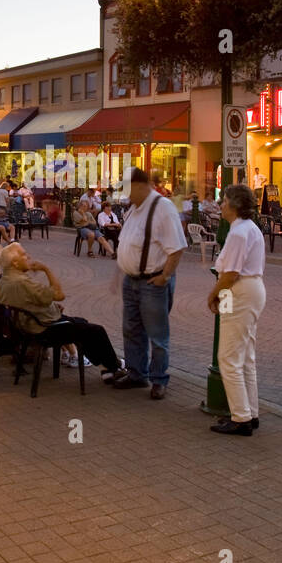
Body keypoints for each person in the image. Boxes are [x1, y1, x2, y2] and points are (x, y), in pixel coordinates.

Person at [0, 243, 127, 383]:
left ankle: (107, 367)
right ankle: (114, 366)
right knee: (96, 330)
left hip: (25, 327)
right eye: (24, 254)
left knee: (83, 324)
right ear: (15, 263)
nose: (28, 257)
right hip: (43, 329)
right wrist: (46, 270)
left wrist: (51, 307)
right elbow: (59, 294)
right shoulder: (22, 283)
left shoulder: (4, 280)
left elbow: (27, 302)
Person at [115, 168, 188, 399]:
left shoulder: (162, 208)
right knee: (132, 329)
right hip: (132, 280)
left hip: (152, 281)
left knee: (157, 334)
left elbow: (176, 248)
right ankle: (136, 373)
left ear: (139, 185)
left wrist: (165, 276)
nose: (126, 195)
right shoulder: (135, 209)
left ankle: (159, 379)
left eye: (127, 189)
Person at [206, 185, 267, 435]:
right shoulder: (246, 229)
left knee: (229, 357)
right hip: (244, 290)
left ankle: (240, 417)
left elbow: (230, 273)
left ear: (235, 205)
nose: (221, 205)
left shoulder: (239, 232)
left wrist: (214, 295)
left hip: (239, 290)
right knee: (244, 355)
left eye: (225, 201)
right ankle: (249, 412)